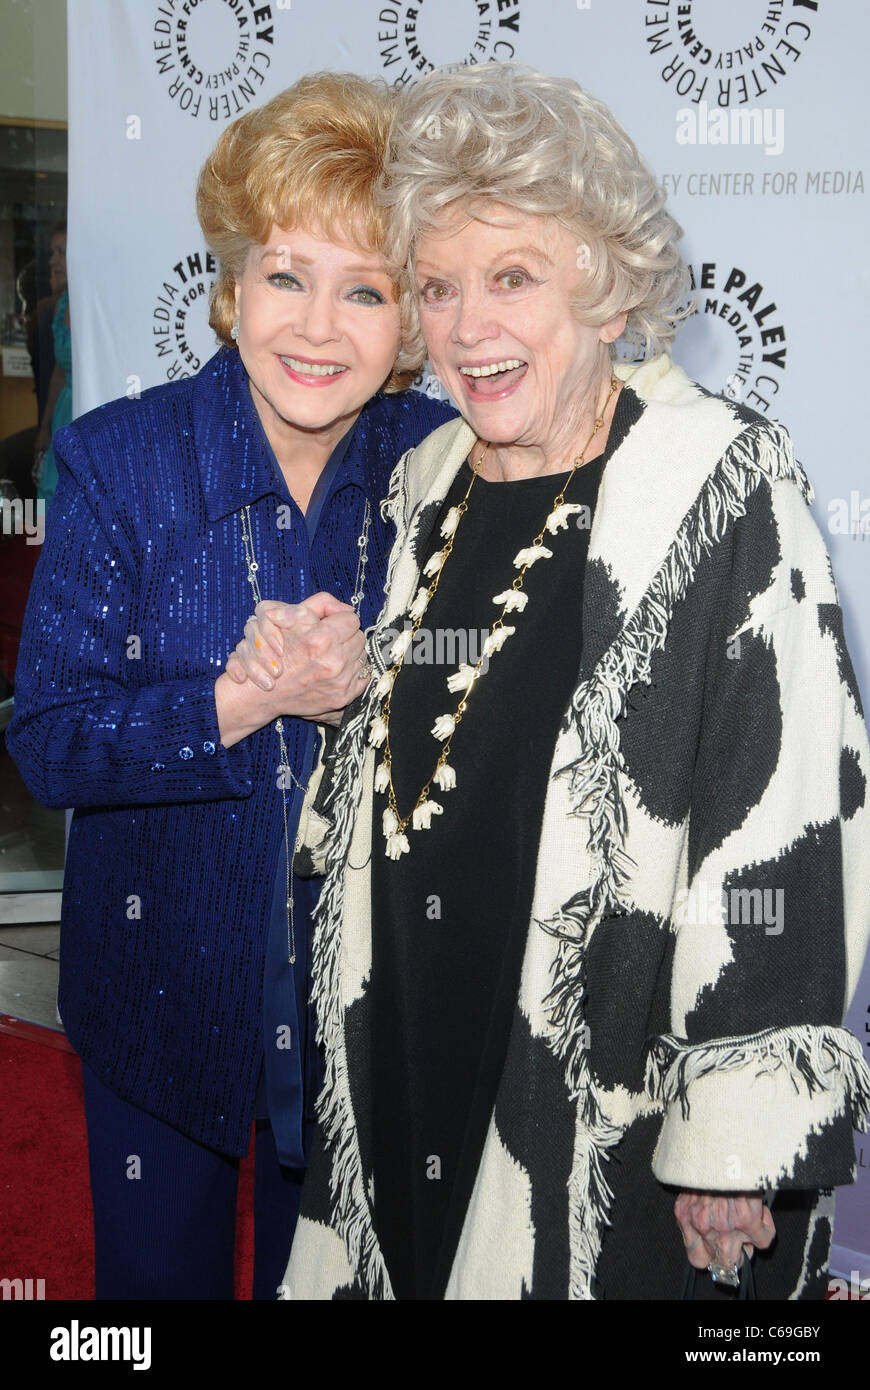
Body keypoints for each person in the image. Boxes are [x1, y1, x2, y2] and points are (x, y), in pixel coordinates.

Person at [239, 63, 870, 1300]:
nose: (468, 327)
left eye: (513, 278)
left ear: (606, 286)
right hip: (417, 1023)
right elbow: (425, 744)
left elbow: (785, 818)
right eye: (437, 287)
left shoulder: (720, 482)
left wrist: (732, 1140)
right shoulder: (428, 481)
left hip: (613, 1076)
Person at [6, 72, 455, 1300]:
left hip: (363, 1019)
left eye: (364, 289)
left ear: (412, 317)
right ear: (229, 287)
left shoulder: (439, 466)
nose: (317, 325)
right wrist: (233, 704)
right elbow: (47, 742)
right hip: (158, 1000)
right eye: (285, 275)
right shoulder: (119, 462)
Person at [33, 226, 72, 506]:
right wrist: (44, 428)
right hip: (62, 415)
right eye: (52, 252)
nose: (52, 261)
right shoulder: (60, 306)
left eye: (61, 252)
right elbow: (59, 371)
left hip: (86, 412)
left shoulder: (93, 306)